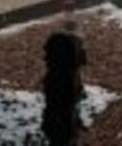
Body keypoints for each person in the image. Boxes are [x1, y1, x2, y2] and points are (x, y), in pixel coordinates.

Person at [41, 15, 87, 146]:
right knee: (63, 121)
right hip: (63, 107)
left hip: (59, 99)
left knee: (60, 117)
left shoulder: (57, 41)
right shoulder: (74, 42)